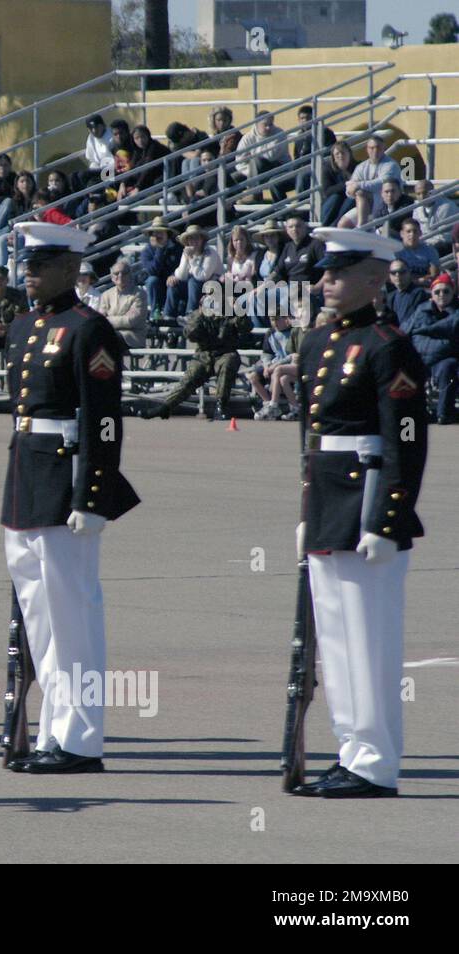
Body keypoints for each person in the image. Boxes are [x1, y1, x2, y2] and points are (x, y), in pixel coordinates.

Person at [291, 227, 428, 798]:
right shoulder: (320, 342)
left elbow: (405, 439)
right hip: (327, 499)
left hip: (367, 498)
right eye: (325, 273)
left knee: (369, 640)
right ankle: (351, 750)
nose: (325, 282)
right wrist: (306, 503)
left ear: (374, 280)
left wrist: (388, 517)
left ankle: (374, 762)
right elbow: (311, 434)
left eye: (337, 273)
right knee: (338, 639)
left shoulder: (387, 345)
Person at [0, 222, 139, 774]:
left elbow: (104, 421)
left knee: (72, 616)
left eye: (41, 264)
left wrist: (94, 495)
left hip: (66, 481)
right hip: (26, 478)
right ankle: (51, 732)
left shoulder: (90, 330)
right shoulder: (20, 328)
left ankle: (79, 738)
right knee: (40, 618)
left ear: (69, 269)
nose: (29, 273)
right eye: (26, 264)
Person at [141, 284, 252, 421]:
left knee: (228, 362)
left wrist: (239, 310)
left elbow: (246, 328)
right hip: (204, 354)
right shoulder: (199, 314)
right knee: (190, 378)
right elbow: (190, 334)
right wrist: (200, 313)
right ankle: (166, 407)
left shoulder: (230, 312)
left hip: (225, 352)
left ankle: (220, 406)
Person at [400, 272, 459, 424]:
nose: (441, 295)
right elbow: (404, 330)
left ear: (453, 293)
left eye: (446, 291)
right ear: (431, 294)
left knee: (449, 366)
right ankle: (412, 414)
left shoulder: (456, 313)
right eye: (437, 291)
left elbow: (448, 327)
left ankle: (443, 413)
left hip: (442, 359)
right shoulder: (420, 310)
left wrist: (423, 331)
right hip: (418, 357)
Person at [342, 135, 402, 228]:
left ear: (383, 149)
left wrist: (358, 185)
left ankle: (362, 226)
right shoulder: (361, 167)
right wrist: (351, 189)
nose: (375, 151)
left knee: (361, 193)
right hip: (365, 206)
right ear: (367, 149)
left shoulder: (391, 165)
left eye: (378, 147)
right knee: (343, 224)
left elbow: (381, 183)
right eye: (371, 148)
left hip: (386, 204)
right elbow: (350, 188)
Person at [248, 313, 299, 420]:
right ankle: (268, 404)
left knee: (279, 374)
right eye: (272, 320)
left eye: (277, 320)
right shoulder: (270, 333)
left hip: (287, 364)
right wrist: (267, 365)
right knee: (253, 377)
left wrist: (275, 365)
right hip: (273, 363)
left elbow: (292, 355)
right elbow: (266, 353)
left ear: (286, 319)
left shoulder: (293, 332)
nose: (275, 323)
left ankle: (274, 405)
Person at [166, 224, 223, 317]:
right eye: (191, 239)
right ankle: (168, 316)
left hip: (212, 288)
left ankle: (190, 315)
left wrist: (191, 260)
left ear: (202, 240)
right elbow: (181, 276)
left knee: (193, 281)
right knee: (174, 284)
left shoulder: (210, 253)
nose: (194, 241)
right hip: (194, 289)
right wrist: (186, 258)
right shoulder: (186, 253)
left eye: (196, 238)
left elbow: (203, 276)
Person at [237, 112, 291, 200]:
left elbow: (270, 156)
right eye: (265, 125)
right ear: (256, 124)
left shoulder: (279, 134)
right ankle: (231, 209)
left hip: (278, 168)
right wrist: (251, 171)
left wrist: (251, 158)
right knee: (231, 178)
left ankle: (255, 194)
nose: (268, 127)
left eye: (271, 124)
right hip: (252, 171)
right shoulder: (248, 138)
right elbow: (239, 161)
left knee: (256, 161)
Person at [97, 257, 148, 349]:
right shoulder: (106, 295)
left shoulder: (139, 294)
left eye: (124, 273)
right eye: (116, 273)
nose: (120, 276)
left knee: (106, 339)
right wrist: (120, 318)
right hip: (110, 334)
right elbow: (100, 320)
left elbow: (131, 321)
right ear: (112, 277)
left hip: (132, 337)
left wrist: (108, 319)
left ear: (130, 275)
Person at [140, 216, 182, 317]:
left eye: (161, 232)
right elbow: (152, 270)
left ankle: (169, 316)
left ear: (167, 234)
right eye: (155, 232)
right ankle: (155, 313)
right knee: (152, 280)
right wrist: (160, 249)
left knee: (174, 283)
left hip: (175, 283)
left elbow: (183, 266)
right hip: (157, 285)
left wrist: (174, 275)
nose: (158, 235)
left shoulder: (178, 248)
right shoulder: (147, 251)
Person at [0, 171, 38, 266]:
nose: (25, 184)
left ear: (33, 183)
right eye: (22, 181)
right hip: (16, 232)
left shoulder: (37, 199)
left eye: (28, 181)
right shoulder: (14, 202)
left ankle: (19, 269)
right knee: (1, 240)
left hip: (31, 232)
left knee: (18, 241)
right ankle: (2, 269)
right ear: (17, 185)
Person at [292, 103, 336, 196]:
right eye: (302, 118)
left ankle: (302, 208)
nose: (305, 121)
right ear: (298, 120)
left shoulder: (325, 133)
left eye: (308, 118)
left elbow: (330, 153)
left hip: (317, 167)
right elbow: (296, 157)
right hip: (301, 169)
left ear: (314, 118)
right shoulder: (299, 136)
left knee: (301, 176)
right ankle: (280, 209)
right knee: (275, 182)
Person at [319, 140, 358, 227]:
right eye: (337, 154)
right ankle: (325, 226)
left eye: (343, 153)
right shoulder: (327, 169)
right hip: (331, 204)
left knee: (353, 197)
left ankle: (335, 225)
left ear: (349, 154)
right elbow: (327, 191)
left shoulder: (358, 167)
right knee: (336, 197)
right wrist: (347, 184)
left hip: (349, 202)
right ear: (333, 157)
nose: (340, 156)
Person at [413, 179, 458, 253]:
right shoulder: (417, 209)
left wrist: (425, 244)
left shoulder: (447, 207)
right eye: (418, 194)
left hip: (445, 246)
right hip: (424, 244)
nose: (422, 197)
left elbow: (446, 237)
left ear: (433, 192)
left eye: (425, 193)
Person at [382, 257, 427, 327]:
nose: (397, 275)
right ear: (389, 276)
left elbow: (410, 322)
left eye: (401, 272)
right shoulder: (390, 297)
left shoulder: (418, 293)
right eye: (393, 273)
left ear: (409, 273)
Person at [393, 219, 439, 285]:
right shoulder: (396, 252)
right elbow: (394, 277)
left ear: (420, 233)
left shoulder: (430, 250)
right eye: (408, 231)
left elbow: (434, 275)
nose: (412, 234)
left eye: (415, 231)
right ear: (402, 234)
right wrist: (417, 281)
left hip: (426, 287)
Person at [83, 115, 114, 187]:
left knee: (97, 181)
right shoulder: (91, 138)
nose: (94, 131)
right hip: (99, 168)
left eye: (96, 127)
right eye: (91, 128)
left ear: (102, 125)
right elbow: (92, 159)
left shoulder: (112, 135)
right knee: (78, 176)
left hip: (112, 169)